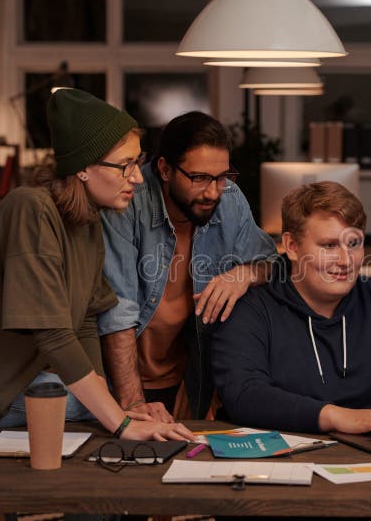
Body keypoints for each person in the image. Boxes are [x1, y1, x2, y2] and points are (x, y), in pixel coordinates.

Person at [0, 88, 194, 442]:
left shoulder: (88, 221)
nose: (138, 177)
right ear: (84, 168)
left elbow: (86, 318)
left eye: (138, 161)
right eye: (125, 165)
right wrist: (122, 422)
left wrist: (117, 408)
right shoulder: (32, 210)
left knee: (100, 399)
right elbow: (52, 334)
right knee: (90, 407)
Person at [211, 181, 371, 434]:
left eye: (354, 244)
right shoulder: (252, 309)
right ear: (291, 246)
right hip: (288, 464)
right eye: (329, 246)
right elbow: (243, 395)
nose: (345, 261)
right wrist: (336, 417)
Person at [98, 111, 276, 423]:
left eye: (222, 177)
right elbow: (117, 309)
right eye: (199, 178)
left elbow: (274, 264)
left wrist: (245, 274)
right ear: (165, 168)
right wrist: (133, 404)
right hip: (120, 384)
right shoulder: (127, 201)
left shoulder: (229, 199)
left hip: (188, 380)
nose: (213, 192)